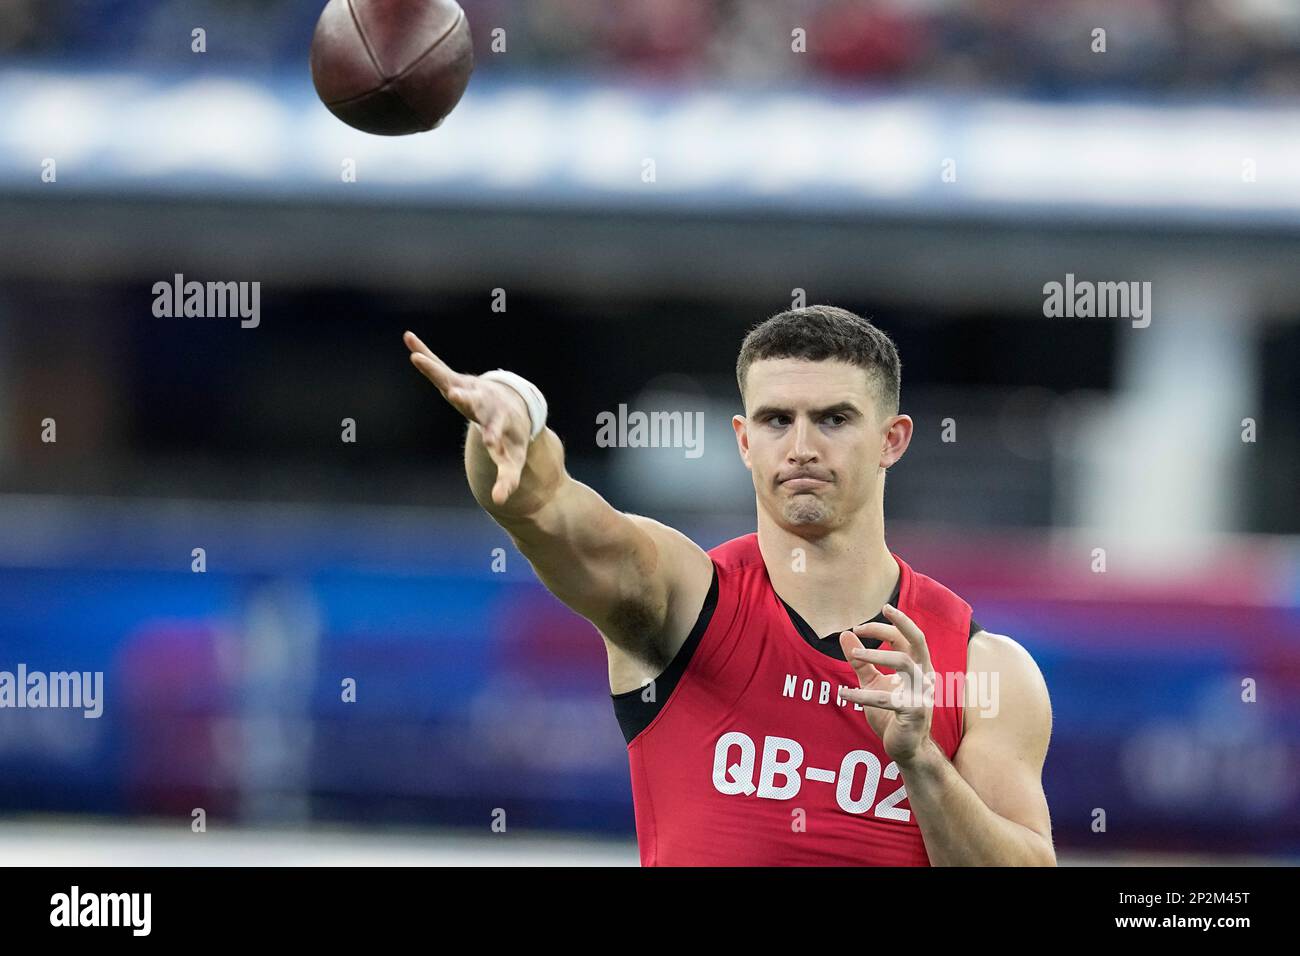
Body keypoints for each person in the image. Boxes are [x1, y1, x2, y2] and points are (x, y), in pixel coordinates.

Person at [404, 304, 1055, 866]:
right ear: (744, 441)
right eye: (776, 420)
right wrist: (515, 409)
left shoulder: (980, 669)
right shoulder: (683, 603)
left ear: (892, 440)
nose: (800, 446)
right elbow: (541, 505)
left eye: (833, 419)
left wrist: (921, 764)